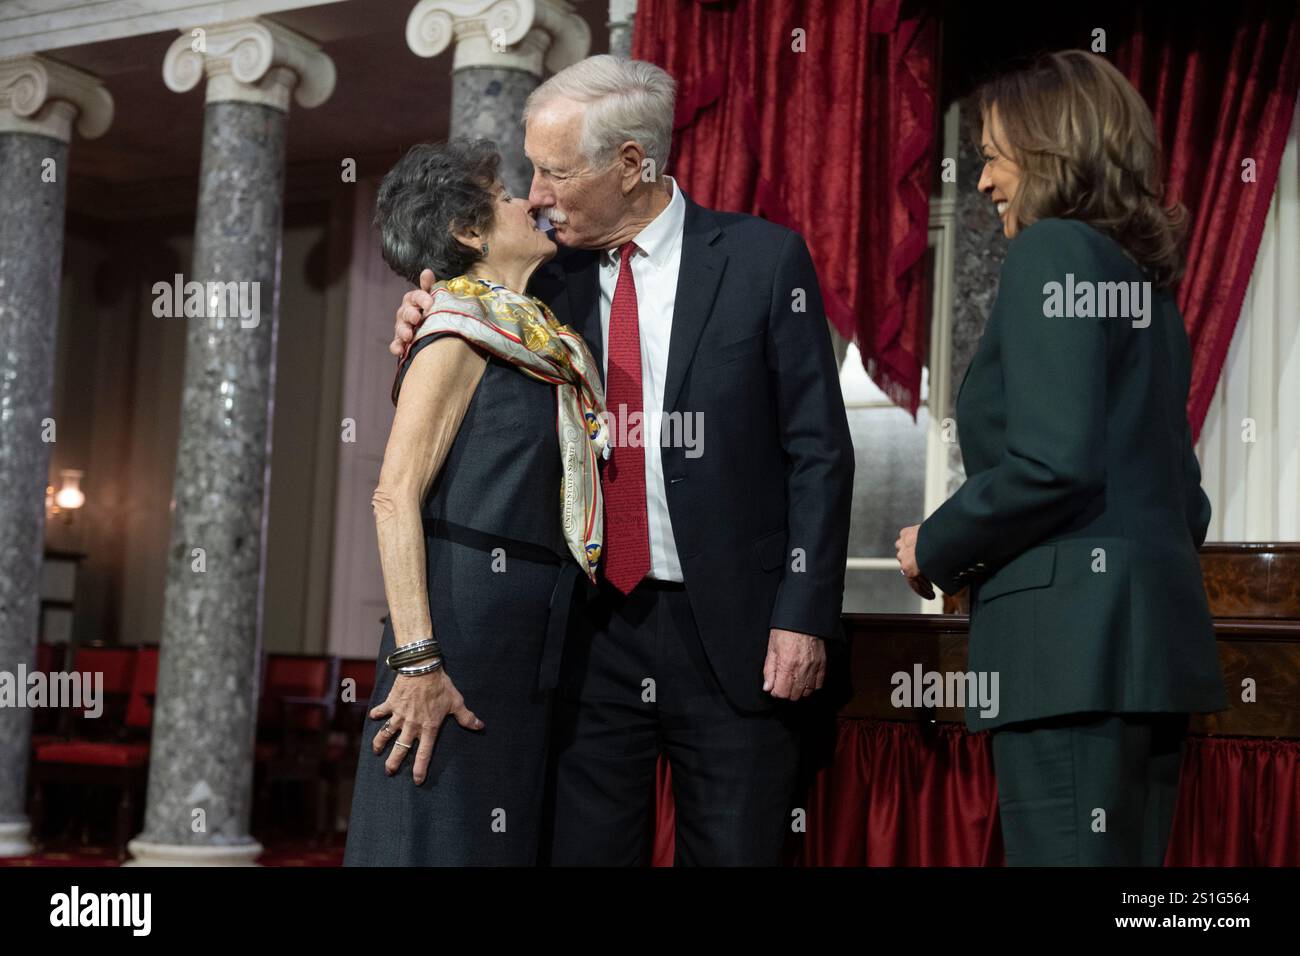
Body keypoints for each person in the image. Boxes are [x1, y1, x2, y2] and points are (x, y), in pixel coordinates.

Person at [392, 56, 855, 865]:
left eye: (554, 171)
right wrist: (418, 321)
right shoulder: (541, 279)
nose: (535, 193)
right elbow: (466, 356)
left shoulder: (763, 261)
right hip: (588, 634)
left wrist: (802, 613)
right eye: (530, 171)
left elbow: (819, 452)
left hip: (739, 638)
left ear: (633, 164)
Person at [895, 50, 1226, 866]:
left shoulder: (1054, 253)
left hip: (1069, 656)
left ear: (1052, 154)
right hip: (1144, 654)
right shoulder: (1144, 287)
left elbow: (1053, 464)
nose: (983, 183)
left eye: (997, 157)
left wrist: (934, 544)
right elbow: (1186, 501)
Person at [345, 139, 607, 866]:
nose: (531, 202)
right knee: (433, 839)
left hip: (525, 632)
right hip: (455, 628)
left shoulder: (536, 334)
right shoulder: (453, 328)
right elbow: (393, 496)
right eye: (505, 196)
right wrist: (419, 663)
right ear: (468, 230)